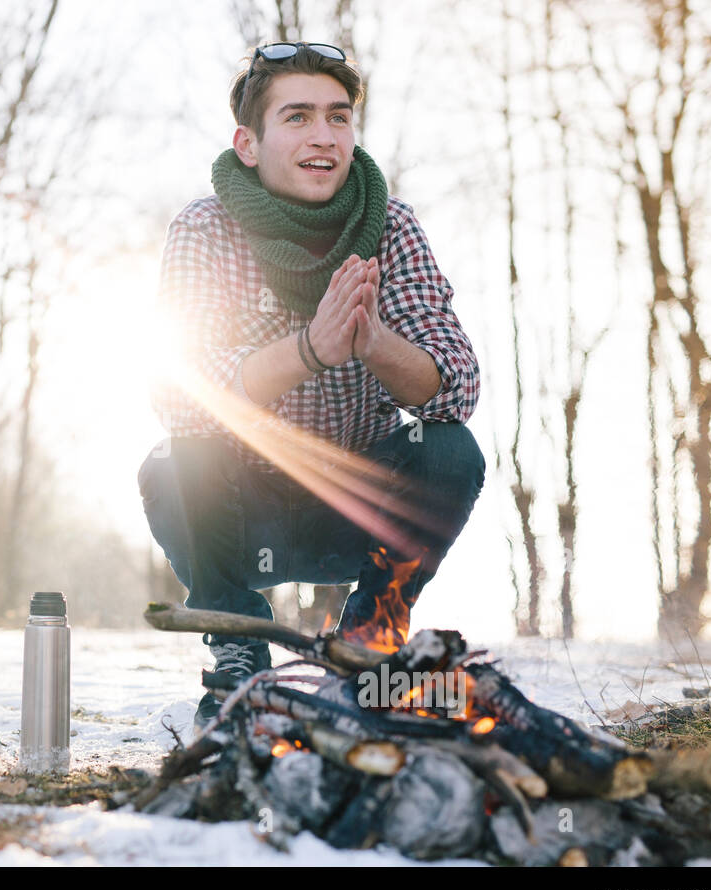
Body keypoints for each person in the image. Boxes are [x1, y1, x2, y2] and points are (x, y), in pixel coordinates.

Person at [137, 42, 486, 729]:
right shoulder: (205, 228)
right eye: (297, 118)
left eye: (338, 117)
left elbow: (456, 383)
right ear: (249, 143)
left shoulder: (392, 226)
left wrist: (372, 341)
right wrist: (308, 350)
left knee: (451, 447)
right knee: (177, 452)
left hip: (354, 505)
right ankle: (238, 647)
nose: (324, 137)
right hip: (236, 511)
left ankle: (369, 646)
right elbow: (177, 392)